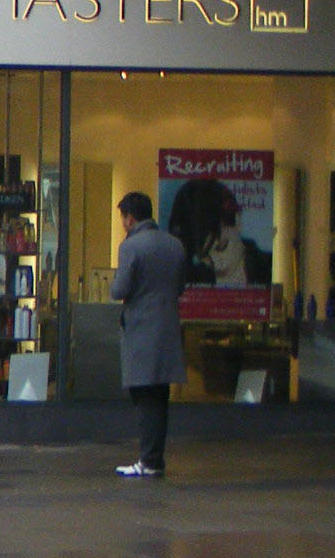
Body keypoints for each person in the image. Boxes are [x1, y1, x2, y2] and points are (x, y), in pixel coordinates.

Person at [111, 189, 188, 478]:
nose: (123, 224)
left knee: (143, 396)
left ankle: (148, 459)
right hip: (167, 328)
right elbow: (180, 286)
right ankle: (155, 457)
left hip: (141, 331)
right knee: (159, 396)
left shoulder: (131, 247)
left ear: (130, 219)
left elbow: (120, 289)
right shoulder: (175, 244)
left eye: (122, 218)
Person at [165, 176, 271, 288]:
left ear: (237, 219)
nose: (215, 262)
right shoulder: (190, 281)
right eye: (204, 256)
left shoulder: (269, 269)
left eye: (221, 246)